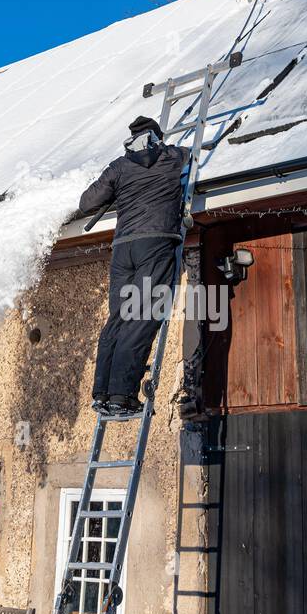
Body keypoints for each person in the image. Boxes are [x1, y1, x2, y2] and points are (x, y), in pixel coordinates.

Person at [79, 116, 190, 418]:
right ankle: (121, 397)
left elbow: (87, 202)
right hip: (154, 243)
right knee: (142, 317)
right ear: (156, 136)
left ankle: (102, 395)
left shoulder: (118, 167)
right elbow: (190, 155)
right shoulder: (172, 157)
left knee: (118, 318)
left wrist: (118, 189)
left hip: (123, 248)